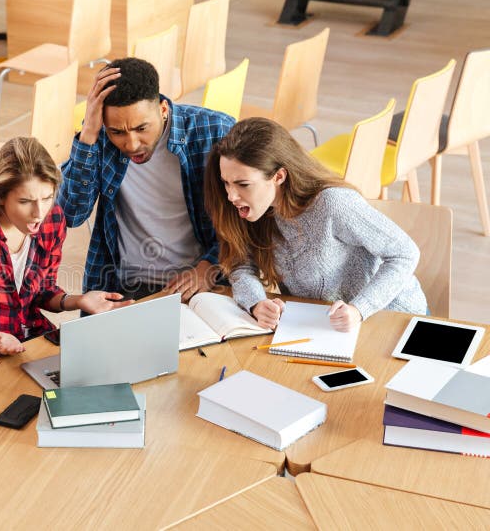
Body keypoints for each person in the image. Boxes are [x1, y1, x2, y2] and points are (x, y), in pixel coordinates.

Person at [203, 117, 427, 332]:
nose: (231, 196)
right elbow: (241, 265)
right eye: (226, 183)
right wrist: (257, 303)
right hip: (327, 328)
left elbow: (405, 254)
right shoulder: (258, 212)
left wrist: (359, 309)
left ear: (279, 177)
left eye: (243, 184)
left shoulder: (333, 205)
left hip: (394, 320)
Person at [0, 137, 131, 359]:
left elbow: (42, 291)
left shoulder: (53, 219)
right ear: (0, 197)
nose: (39, 212)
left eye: (46, 197)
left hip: (30, 336)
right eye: (25, 201)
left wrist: (78, 301)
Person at [58, 57, 235, 301]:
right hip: (126, 287)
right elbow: (70, 213)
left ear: (163, 110)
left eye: (142, 128)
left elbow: (247, 222)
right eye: (117, 132)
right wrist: (88, 133)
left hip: (203, 283)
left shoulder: (216, 132)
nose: (131, 145)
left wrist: (210, 266)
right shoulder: (98, 139)